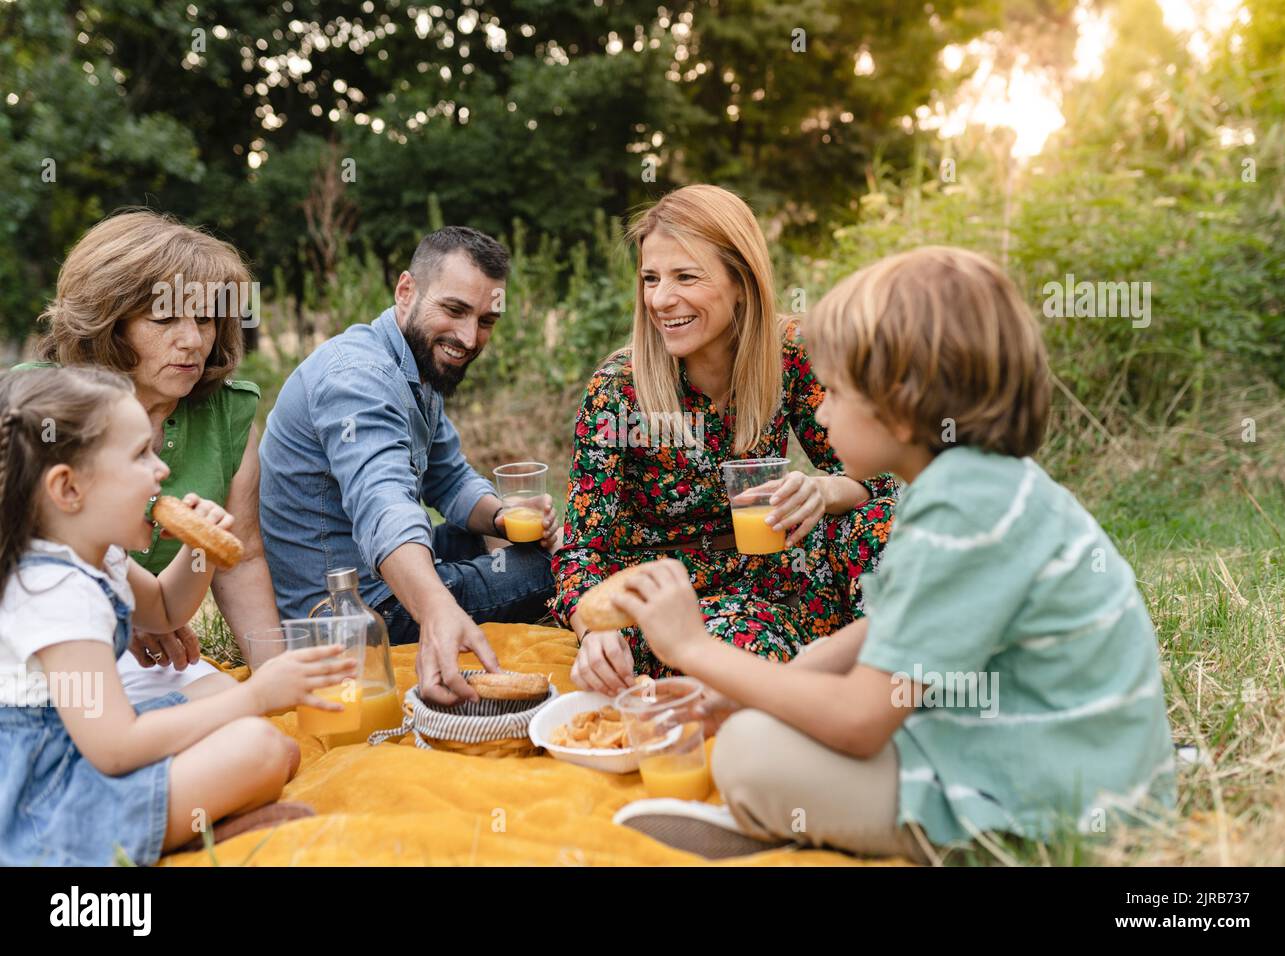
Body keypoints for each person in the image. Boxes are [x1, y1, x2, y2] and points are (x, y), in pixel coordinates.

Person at [609, 247, 1177, 861]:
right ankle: (809, 817)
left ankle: (966, 845)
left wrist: (693, 650)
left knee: (751, 753)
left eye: (835, 392)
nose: (820, 411)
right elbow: (880, 633)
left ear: (900, 405)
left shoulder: (965, 508)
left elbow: (859, 721)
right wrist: (730, 694)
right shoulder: (968, 484)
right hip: (1051, 756)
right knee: (759, 721)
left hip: (1065, 803)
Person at [0, 367, 353, 866]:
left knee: (220, 694)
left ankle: (194, 821)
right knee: (262, 748)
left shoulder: (96, 554)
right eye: (139, 455)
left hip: (77, 751)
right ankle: (179, 835)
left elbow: (166, 609)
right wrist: (258, 694)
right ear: (69, 489)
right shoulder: (56, 593)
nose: (161, 468)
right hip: (47, 806)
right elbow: (117, 748)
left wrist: (198, 550)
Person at [554, 185, 897, 693]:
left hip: (781, 566)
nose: (661, 299)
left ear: (741, 280)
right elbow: (582, 551)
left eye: (685, 276)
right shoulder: (618, 390)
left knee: (888, 526)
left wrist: (824, 492)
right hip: (681, 600)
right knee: (749, 652)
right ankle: (820, 684)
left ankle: (900, 677)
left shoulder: (791, 354)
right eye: (651, 278)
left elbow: (883, 475)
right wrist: (593, 629)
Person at [259, 226, 558, 705]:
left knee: (495, 540)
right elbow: (384, 505)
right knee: (553, 566)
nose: (468, 337)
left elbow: (450, 477)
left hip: (373, 568)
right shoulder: (357, 378)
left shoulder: (415, 365)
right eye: (455, 310)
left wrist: (503, 518)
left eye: (486, 320)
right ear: (406, 291)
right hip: (345, 611)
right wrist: (437, 607)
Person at [16, 210, 281, 703]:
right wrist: (116, 610)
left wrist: (277, 681)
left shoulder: (227, 411)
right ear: (110, 326)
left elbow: (239, 558)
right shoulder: (40, 405)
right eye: (164, 319)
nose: (193, 341)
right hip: (31, 646)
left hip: (132, 642)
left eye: (205, 319)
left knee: (240, 722)